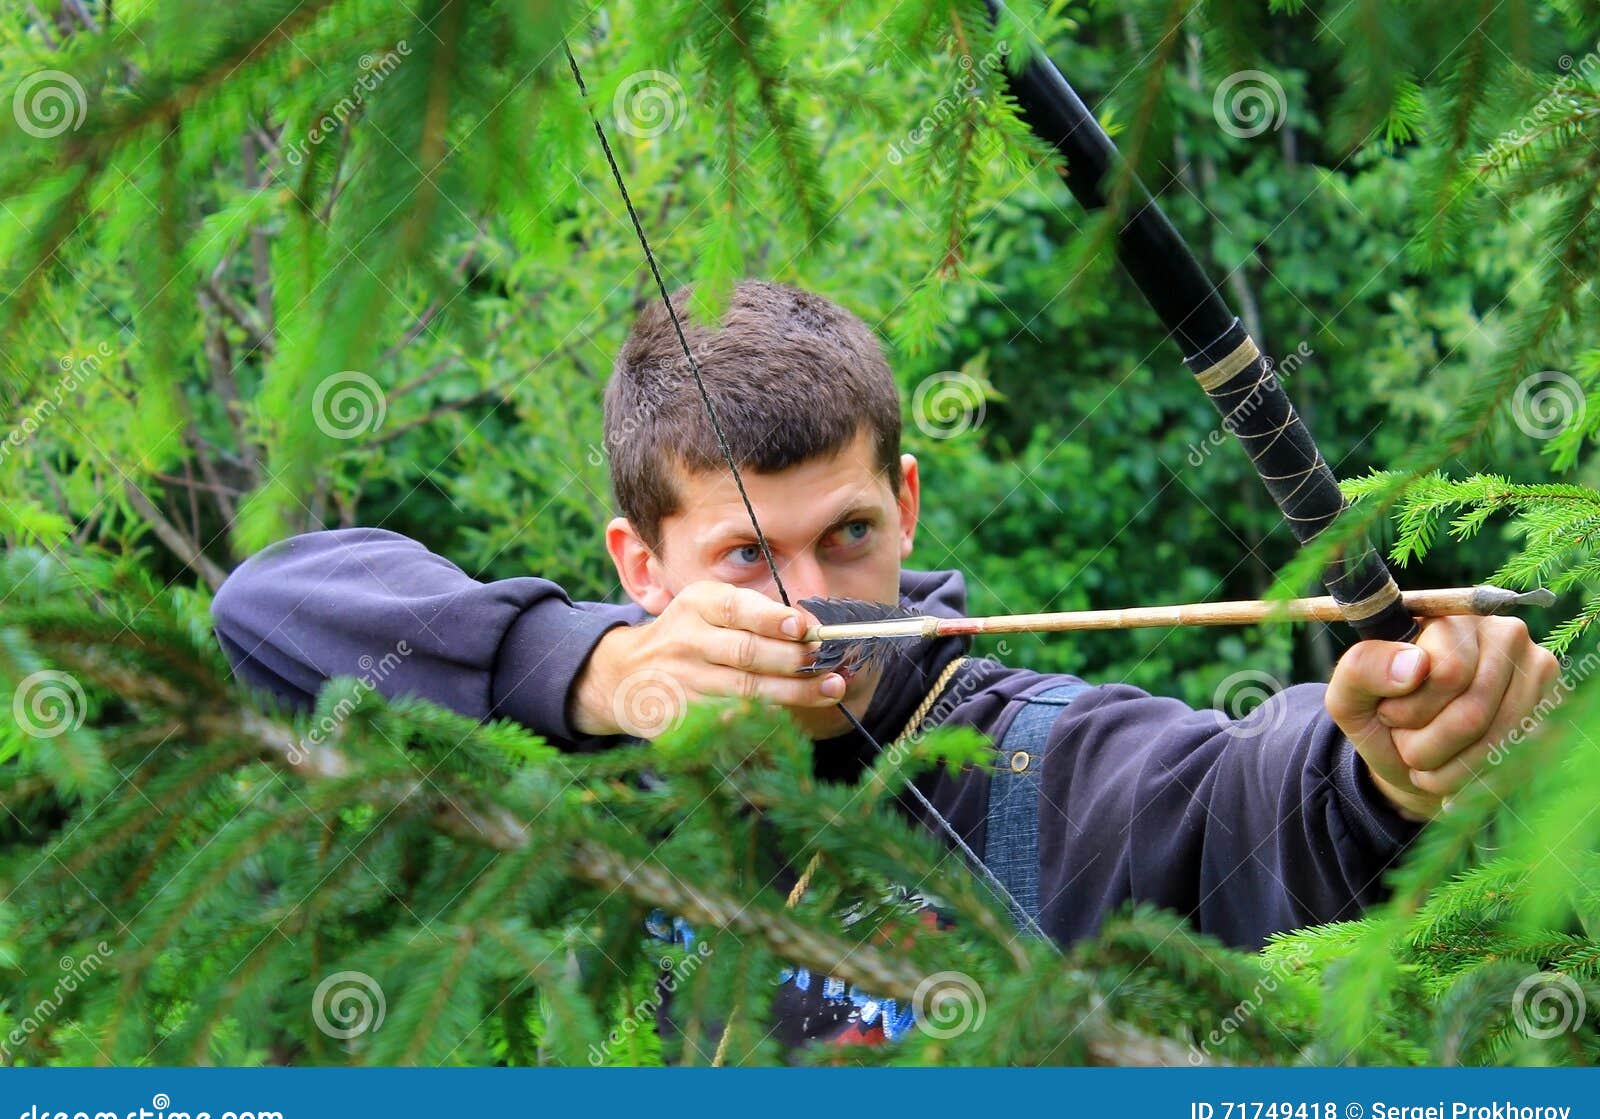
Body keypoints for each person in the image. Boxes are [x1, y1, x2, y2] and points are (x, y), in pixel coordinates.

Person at [211, 279, 1560, 1051]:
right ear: (640, 562)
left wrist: (1393, 760)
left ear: (905, 505)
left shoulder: (1045, 759)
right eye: (748, 555)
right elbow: (268, 609)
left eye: (847, 533)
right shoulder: (586, 737)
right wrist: (595, 675)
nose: (810, 603)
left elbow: (1258, 797)